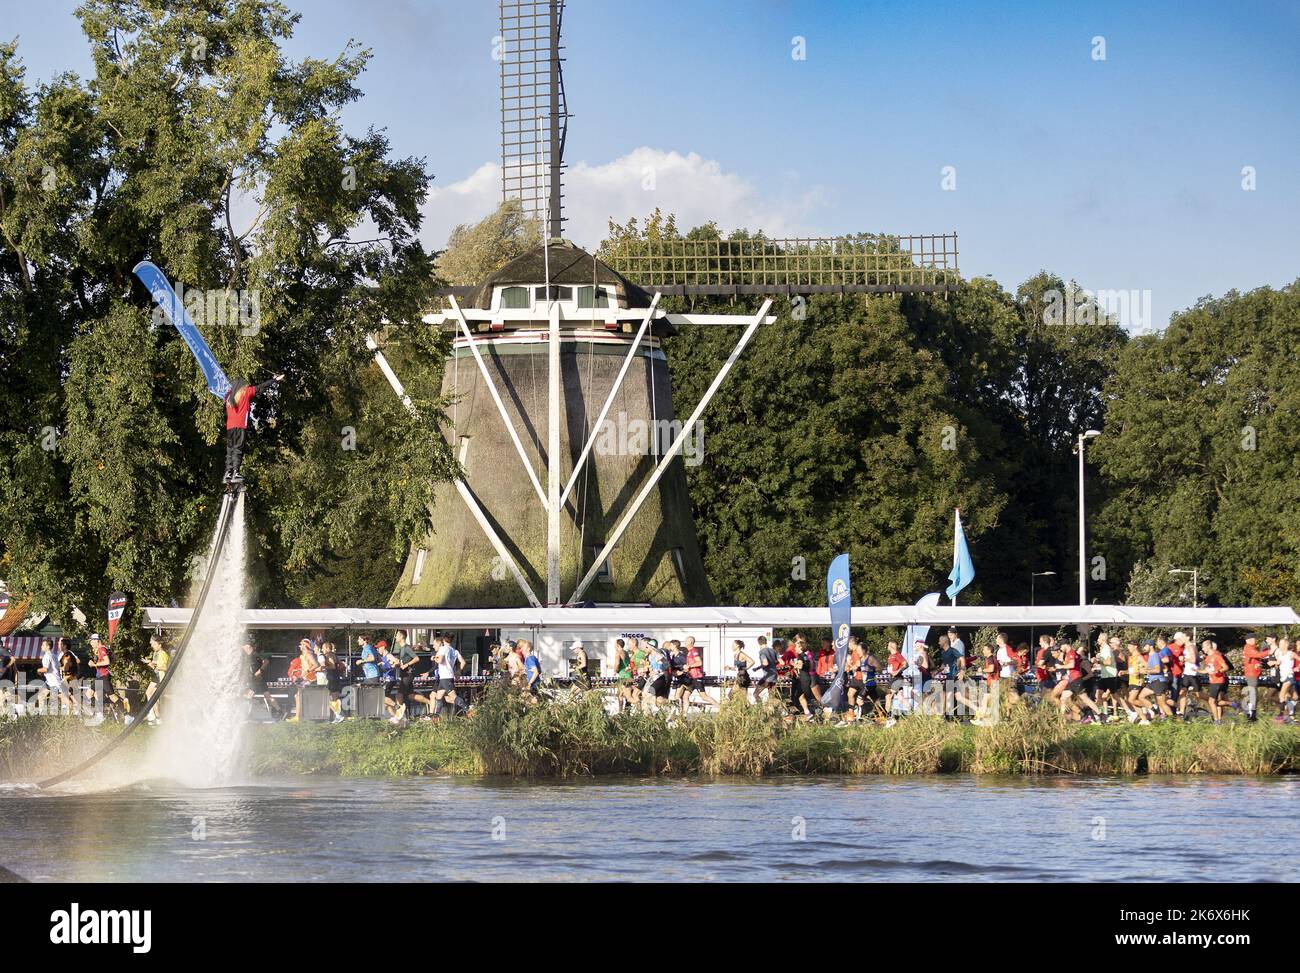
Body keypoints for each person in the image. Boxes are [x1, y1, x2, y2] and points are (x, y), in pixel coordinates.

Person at [222, 372, 284, 485]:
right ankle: (236, 472)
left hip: (230, 427)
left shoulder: (228, 397)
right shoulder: (245, 393)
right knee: (238, 448)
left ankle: (228, 473)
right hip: (240, 425)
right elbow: (261, 387)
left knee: (230, 449)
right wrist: (274, 380)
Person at [1241, 635, 1271, 722]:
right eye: (1254, 638)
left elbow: (1256, 658)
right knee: (1252, 694)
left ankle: (1250, 713)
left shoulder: (1252, 647)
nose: (1255, 640)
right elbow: (1258, 655)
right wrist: (1269, 651)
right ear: (1248, 640)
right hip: (1251, 674)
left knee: (1252, 694)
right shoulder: (1248, 647)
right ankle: (1251, 715)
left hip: (1253, 673)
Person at [143, 634, 171, 725]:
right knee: (148, 693)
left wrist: (153, 664)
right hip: (156, 676)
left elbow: (165, 667)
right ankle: (152, 715)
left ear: (160, 644)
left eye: (154, 644)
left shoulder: (163, 653)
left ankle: (158, 717)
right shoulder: (157, 653)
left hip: (161, 677)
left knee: (154, 697)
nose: (152, 646)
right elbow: (158, 664)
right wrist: (151, 664)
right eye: (152, 644)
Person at [1275, 637, 1297, 724]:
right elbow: (1279, 663)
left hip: (1289, 677)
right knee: (1294, 697)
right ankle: (1291, 716)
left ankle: (1281, 715)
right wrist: (1276, 664)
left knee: (1281, 696)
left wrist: (1297, 667)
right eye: (1279, 644)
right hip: (1283, 677)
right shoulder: (1280, 654)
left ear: (1286, 645)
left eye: (1281, 644)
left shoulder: (1291, 653)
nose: (1279, 645)